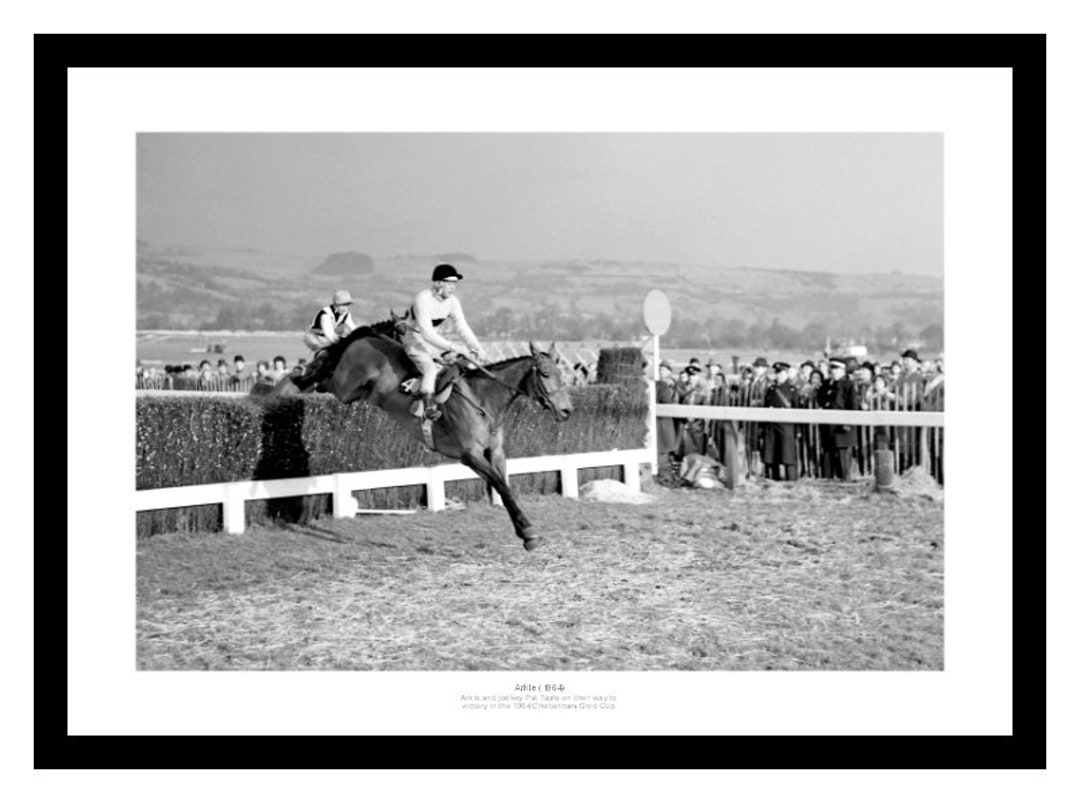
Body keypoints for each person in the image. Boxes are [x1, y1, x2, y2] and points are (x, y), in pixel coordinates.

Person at [399, 264, 486, 421]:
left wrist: (477, 348)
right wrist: (455, 347)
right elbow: (426, 333)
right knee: (430, 369)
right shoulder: (422, 299)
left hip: (434, 342)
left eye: (454, 284)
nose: (453, 288)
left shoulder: (453, 302)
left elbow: (462, 327)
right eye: (449, 283)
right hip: (414, 340)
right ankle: (428, 409)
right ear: (438, 283)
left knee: (461, 366)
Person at [816, 357, 859, 480]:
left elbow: (853, 405)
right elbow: (821, 400)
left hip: (841, 426)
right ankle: (828, 479)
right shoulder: (826, 384)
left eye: (836, 369)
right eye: (832, 369)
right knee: (827, 453)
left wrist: (848, 424)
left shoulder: (848, 385)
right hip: (828, 425)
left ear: (843, 370)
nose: (833, 372)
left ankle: (844, 479)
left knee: (842, 455)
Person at [763, 361, 798, 481]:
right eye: (777, 373)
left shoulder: (792, 390)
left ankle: (791, 481)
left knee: (788, 457)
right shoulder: (771, 389)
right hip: (772, 427)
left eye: (782, 373)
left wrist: (797, 430)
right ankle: (774, 481)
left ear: (787, 374)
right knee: (772, 457)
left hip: (786, 427)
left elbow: (798, 411)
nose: (779, 376)